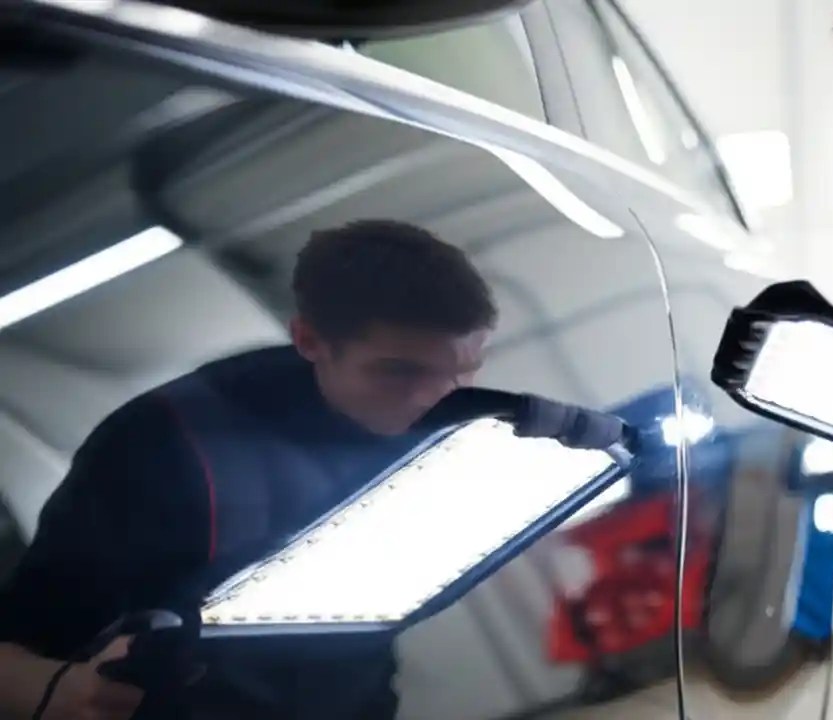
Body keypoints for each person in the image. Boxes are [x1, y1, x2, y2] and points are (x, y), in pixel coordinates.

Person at [0, 219, 497, 720]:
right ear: (309, 340)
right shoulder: (162, 446)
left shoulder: (435, 426)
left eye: (464, 368)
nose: (438, 400)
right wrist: (62, 693)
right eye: (400, 371)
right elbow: (20, 643)